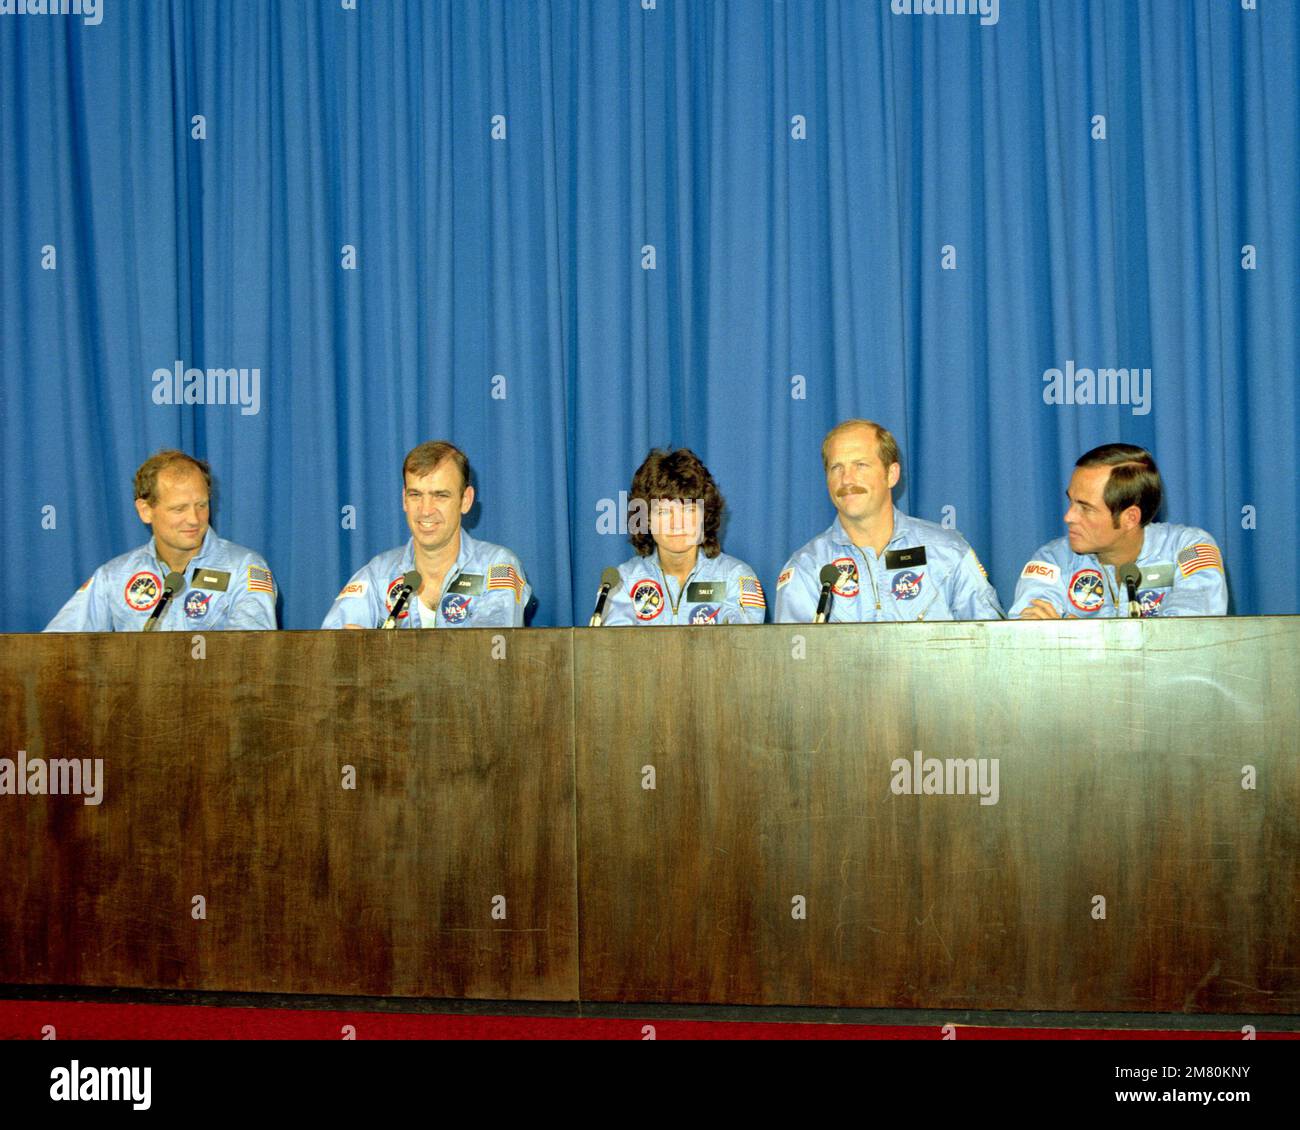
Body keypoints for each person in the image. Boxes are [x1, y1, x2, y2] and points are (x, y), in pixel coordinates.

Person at [775, 419, 1002, 623]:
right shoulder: (808, 566)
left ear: (892, 474)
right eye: (836, 467)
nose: (846, 479)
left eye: (860, 465)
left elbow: (992, 644)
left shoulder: (947, 552)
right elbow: (793, 662)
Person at [45, 450, 277, 631]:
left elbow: (253, 655)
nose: (194, 519)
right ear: (145, 510)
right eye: (179, 509)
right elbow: (57, 646)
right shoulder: (114, 577)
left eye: (202, 505)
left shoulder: (244, 569)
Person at [322, 441, 530, 629]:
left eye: (440, 495)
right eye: (416, 495)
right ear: (404, 499)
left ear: (465, 500)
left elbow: (490, 651)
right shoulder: (379, 574)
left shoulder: (499, 566)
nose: (426, 510)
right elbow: (333, 646)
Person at [1009, 443, 1227, 618]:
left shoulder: (1188, 549)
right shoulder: (1053, 560)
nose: (1069, 517)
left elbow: (1191, 636)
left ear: (1130, 517)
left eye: (1085, 508)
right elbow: (1029, 641)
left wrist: (1075, 637)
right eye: (1071, 502)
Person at [599, 448, 766, 625]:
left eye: (688, 510)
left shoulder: (736, 577)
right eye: (664, 511)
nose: (677, 523)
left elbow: (744, 647)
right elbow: (614, 649)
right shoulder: (623, 581)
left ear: (705, 515)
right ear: (646, 519)